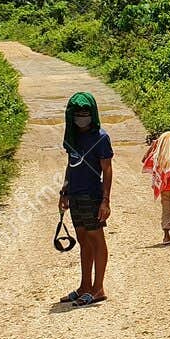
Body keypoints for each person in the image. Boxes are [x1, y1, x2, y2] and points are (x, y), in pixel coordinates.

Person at [57, 92, 113, 306]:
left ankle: (98, 288)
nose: (81, 117)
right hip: (75, 196)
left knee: (96, 238)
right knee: (83, 240)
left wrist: (105, 201)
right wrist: (64, 191)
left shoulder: (101, 137)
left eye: (85, 113)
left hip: (92, 196)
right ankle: (84, 286)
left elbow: (107, 169)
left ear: (92, 114)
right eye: (78, 113)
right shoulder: (73, 137)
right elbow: (71, 165)